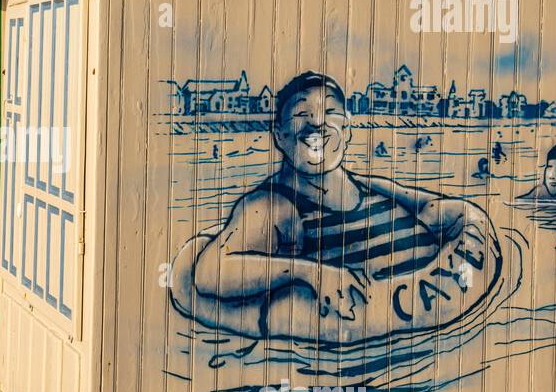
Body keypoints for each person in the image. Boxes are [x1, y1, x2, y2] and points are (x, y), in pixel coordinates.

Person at [168, 70, 501, 343]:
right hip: (362, 370)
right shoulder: (272, 206)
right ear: (280, 135)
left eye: (329, 113)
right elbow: (211, 273)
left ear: (347, 128)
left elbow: (440, 210)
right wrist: (310, 273)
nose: (318, 125)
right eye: (302, 115)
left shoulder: (373, 187)